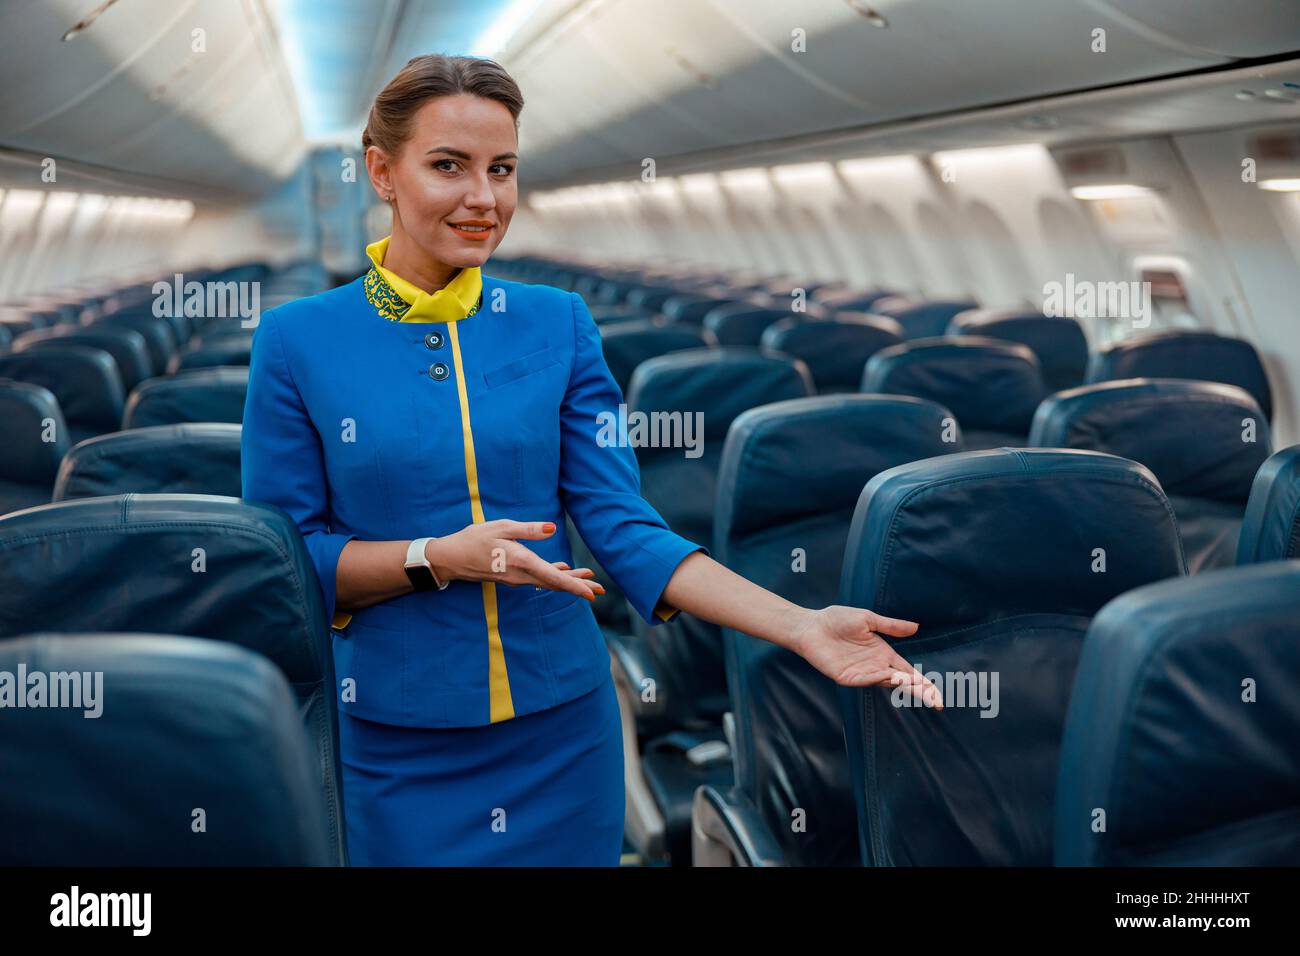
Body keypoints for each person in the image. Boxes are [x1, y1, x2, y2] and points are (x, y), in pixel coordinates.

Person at [241, 53, 940, 867]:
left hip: (562, 730)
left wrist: (802, 625)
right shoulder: (298, 341)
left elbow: (622, 523)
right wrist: (435, 558)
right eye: (448, 166)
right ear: (382, 172)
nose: (483, 198)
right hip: (395, 738)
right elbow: (288, 562)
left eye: (501, 170)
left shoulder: (559, 325)